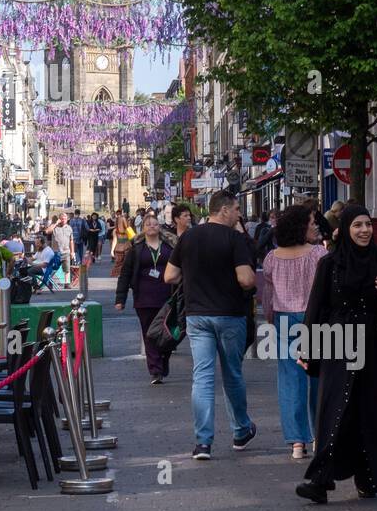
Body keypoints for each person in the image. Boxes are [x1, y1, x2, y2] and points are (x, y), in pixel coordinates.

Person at [296, 204, 377, 503]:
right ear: (346, 229)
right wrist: (308, 349)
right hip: (336, 340)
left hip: (371, 343)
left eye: (367, 225)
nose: (364, 230)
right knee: (332, 409)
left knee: (367, 411)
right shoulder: (330, 264)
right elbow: (316, 307)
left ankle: (368, 478)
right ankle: (320, 480)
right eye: (358, 225)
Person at [164, 190, 258, 460]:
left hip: (197, 315)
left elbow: (170, 275)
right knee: (232, 374)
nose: (239, 214)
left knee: (202, 378)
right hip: (230, 314)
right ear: (224, 210)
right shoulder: (234, 239)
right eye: (237, 209)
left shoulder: (190, 237)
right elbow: (246, 279)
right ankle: (240, 430)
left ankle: (203, 442)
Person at [262, 206, 327, 460]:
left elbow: (267, 297)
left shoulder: (272, 258)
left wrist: (270, 318)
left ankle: (296, 441)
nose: (315, 225)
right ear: (301, 226)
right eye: (311, 222)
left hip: (285, 319)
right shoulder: (318, 255)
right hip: (315, 319)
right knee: (317, 378)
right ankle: (319, 434)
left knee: (290, 380)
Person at [115, 215, 175, 384]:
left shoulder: (170, 247)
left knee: (168, 333)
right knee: (149, 334)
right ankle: (156, 370)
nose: (151, 226)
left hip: (167, 296)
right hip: (144, 297)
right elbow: (125, 274)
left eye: (155, 224)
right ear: (143, 228)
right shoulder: (136, 249)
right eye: (148, 224)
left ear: (159, 227)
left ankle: (163, 358)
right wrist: (120, 299)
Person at [47, 213, 76, 286]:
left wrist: (72, 252)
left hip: (66, 251)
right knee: (54, 268)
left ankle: (67, 283)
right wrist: (56, 223)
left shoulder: (69, 228)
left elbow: (71, 240)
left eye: (65, 219)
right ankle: (50, 281)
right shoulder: (54, 227)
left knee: (67, 268)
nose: (64, 220)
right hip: (56, 251)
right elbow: (47, 231)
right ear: (59, 219)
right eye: (62, 219)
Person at [109, 210, 134, 277]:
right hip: (126, 248)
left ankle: (121, 277)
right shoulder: (128, 230)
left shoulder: (116, 230)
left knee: (120, 265)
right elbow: (133, 239)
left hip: (120, 249)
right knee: (126, 265)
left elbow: (115, 240)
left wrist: (112, 250)